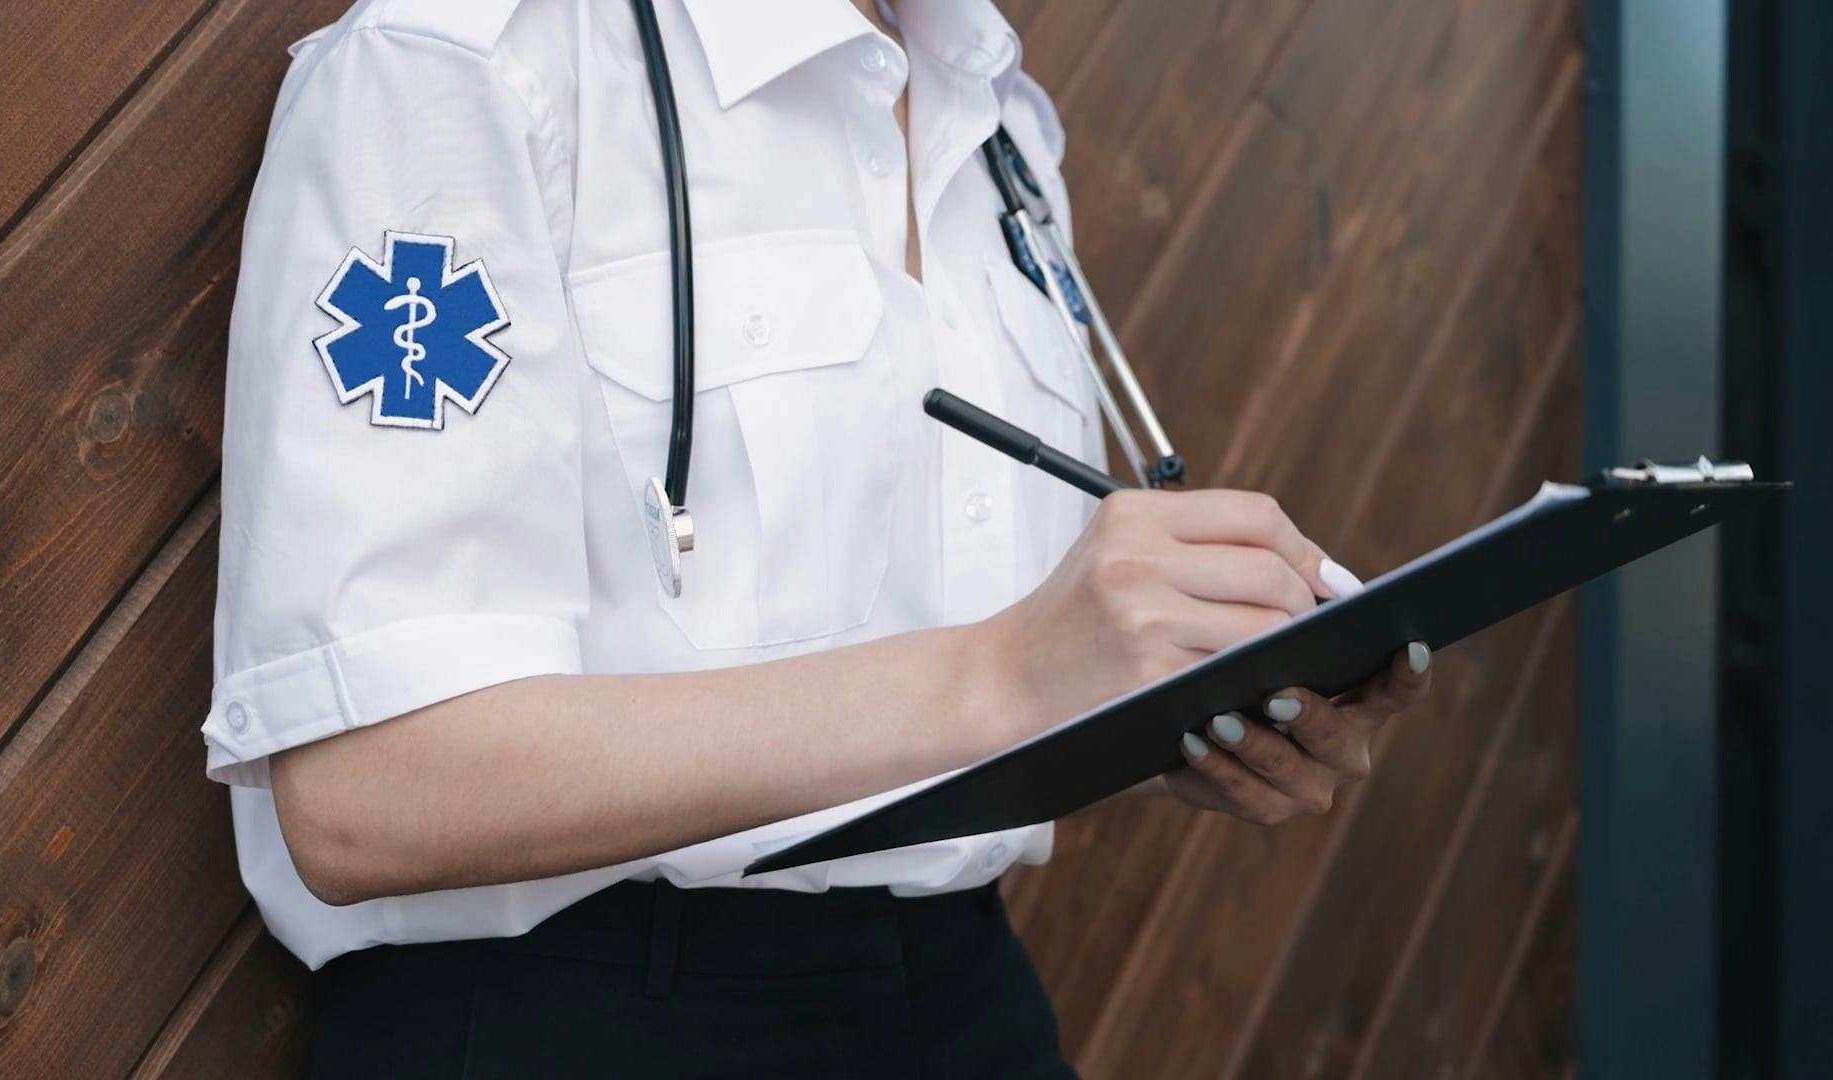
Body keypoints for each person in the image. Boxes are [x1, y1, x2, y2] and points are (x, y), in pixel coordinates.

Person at [206, 0, 1434, 1075]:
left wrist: (1172, 714)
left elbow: (972, 667)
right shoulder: (461, 67)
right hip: (572, 1022)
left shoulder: (997, 117)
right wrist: (1000, 673)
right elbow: (368, 788)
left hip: (965, 997)